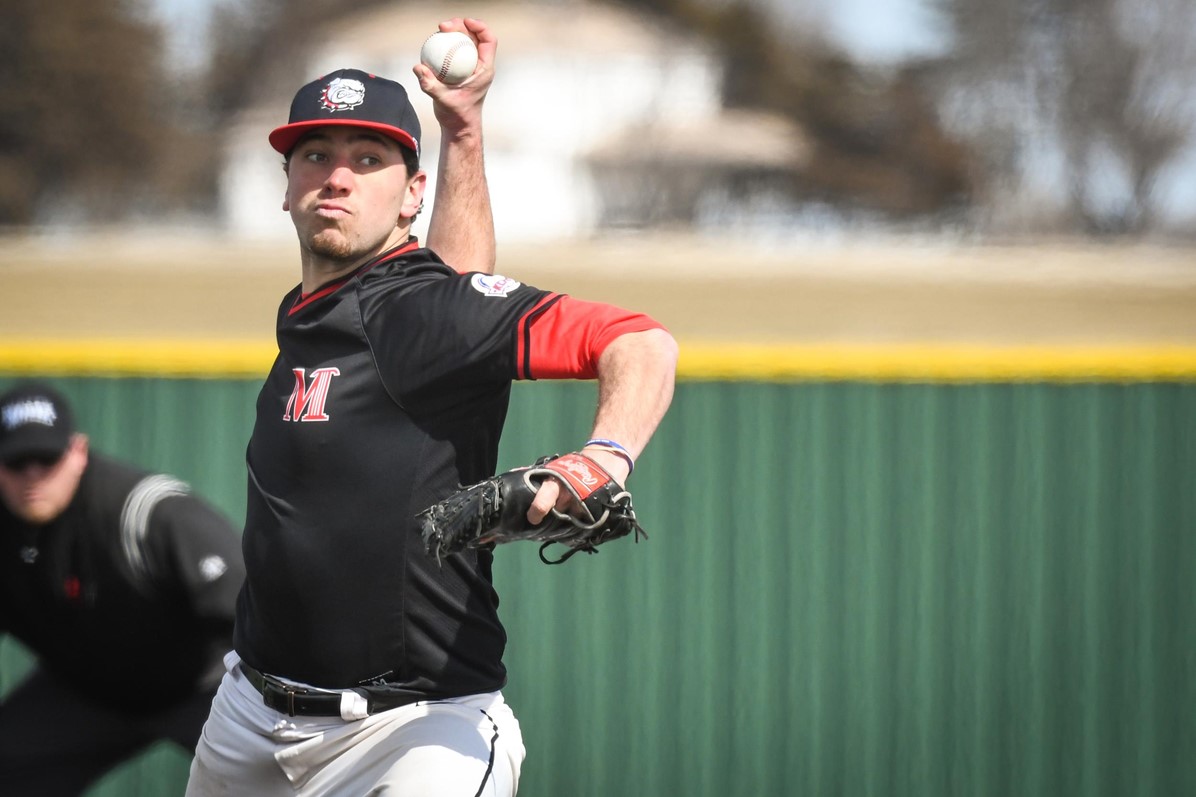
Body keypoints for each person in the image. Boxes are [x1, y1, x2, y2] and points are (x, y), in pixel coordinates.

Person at [185, 15, 679, 797]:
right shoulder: (320, 310)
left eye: (368, 159)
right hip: (248, 719)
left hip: (412, 733)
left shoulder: (410, 314)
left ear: (413, 192)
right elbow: (450, 291)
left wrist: (601, 457)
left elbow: (640, 340)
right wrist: (463, 127)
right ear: (287, 189)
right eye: (315, 155)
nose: (337, 176)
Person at [0, 380, 246, 795]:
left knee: (275, 780)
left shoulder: (143, 511)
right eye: (17, 462)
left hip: (200, 686)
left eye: (46, 459)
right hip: (85, 694)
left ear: (77, 452)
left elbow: (247, 601)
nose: (33, 477)